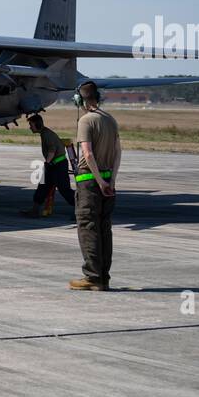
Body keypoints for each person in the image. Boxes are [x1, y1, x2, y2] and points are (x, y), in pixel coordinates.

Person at [70, 81, 121, 291]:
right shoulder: (110, 119)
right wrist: (111, 181)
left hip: (90, 183)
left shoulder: (86, 120)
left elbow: (88, 154)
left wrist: (99, 181)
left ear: (79, 100)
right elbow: (118, 152)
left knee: (88, 227)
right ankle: (104, 277)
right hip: (109, 180)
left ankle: (92, 277)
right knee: (104, 229)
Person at [20, 113, 74, 218]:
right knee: (42, 187)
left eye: (31, 125)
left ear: (37, 124)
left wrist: (47, 163)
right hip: (53, 164)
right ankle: (35, 210)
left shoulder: (46, 134)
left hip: (58, 165)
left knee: (64, 189)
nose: (30, 127)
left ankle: (81, 211)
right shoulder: (44, 133)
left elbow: (52, 150)